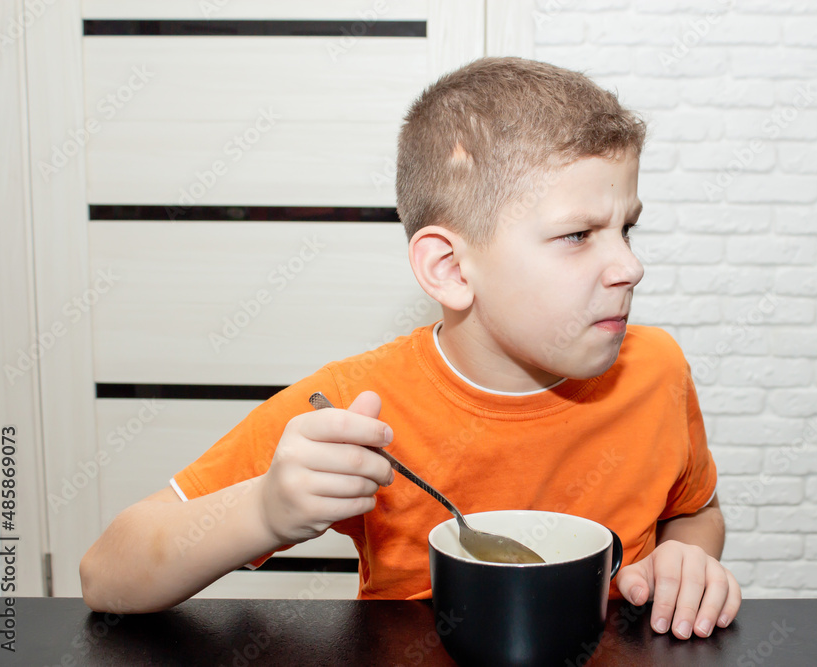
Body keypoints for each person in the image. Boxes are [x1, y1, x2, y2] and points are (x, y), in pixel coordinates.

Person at [80, 56, 741, 640]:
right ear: (452, 270)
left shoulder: (657, 369)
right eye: (578, 235)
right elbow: (106, 573)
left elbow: (695, 511)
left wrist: (689, 556)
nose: (630, 266)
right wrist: (265, 509)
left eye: (627, 227)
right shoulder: (359, 408)